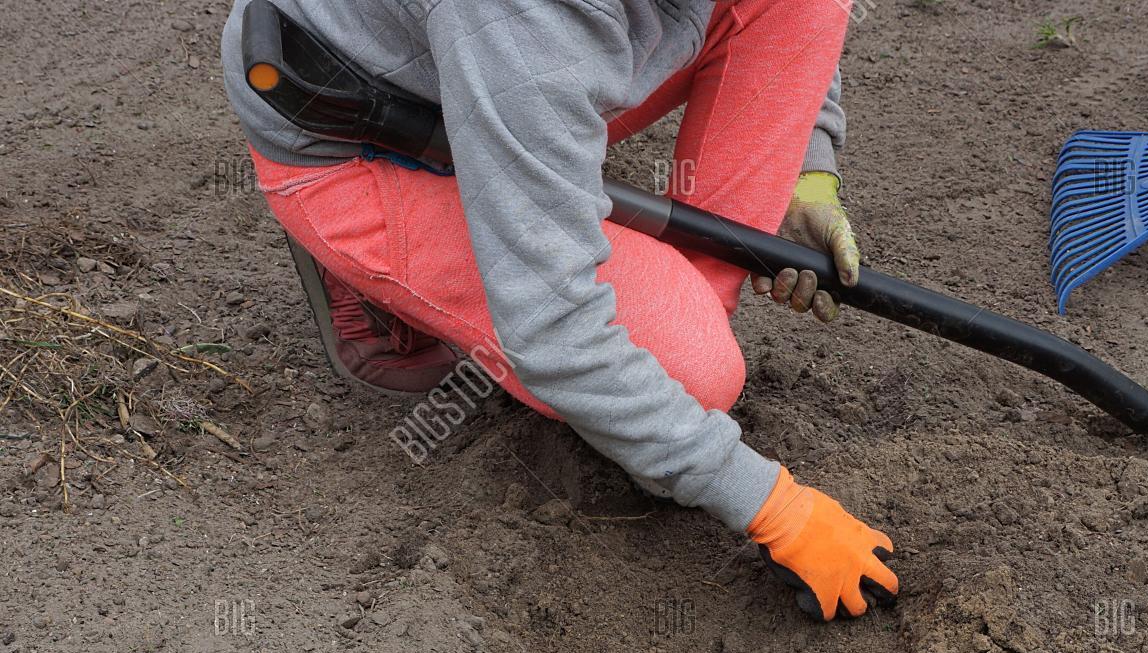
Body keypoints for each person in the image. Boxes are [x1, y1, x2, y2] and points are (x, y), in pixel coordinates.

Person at [221, 0, 898, 621]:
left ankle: (645, 333)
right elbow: (552, 329)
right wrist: (770, 504)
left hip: (503, 71)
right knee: (692, 373)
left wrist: (803, 167)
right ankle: (385, 261)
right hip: (359, 123)